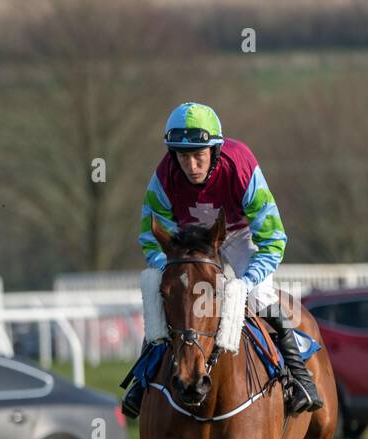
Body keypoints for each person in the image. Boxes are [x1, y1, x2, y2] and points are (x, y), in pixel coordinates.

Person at [121, 102, 323, 418]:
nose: (190, 164)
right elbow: (151, 236)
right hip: (191, 243)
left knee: (257, 297)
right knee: (170, 296)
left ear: (215, 150)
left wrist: (244, 282)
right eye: (182, 156)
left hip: (240, 235)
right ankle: (142, 379)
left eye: (198, 154)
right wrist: (171, 271)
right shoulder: (163, 177)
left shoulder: (241, 165)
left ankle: (300, 379)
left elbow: (273, 240)